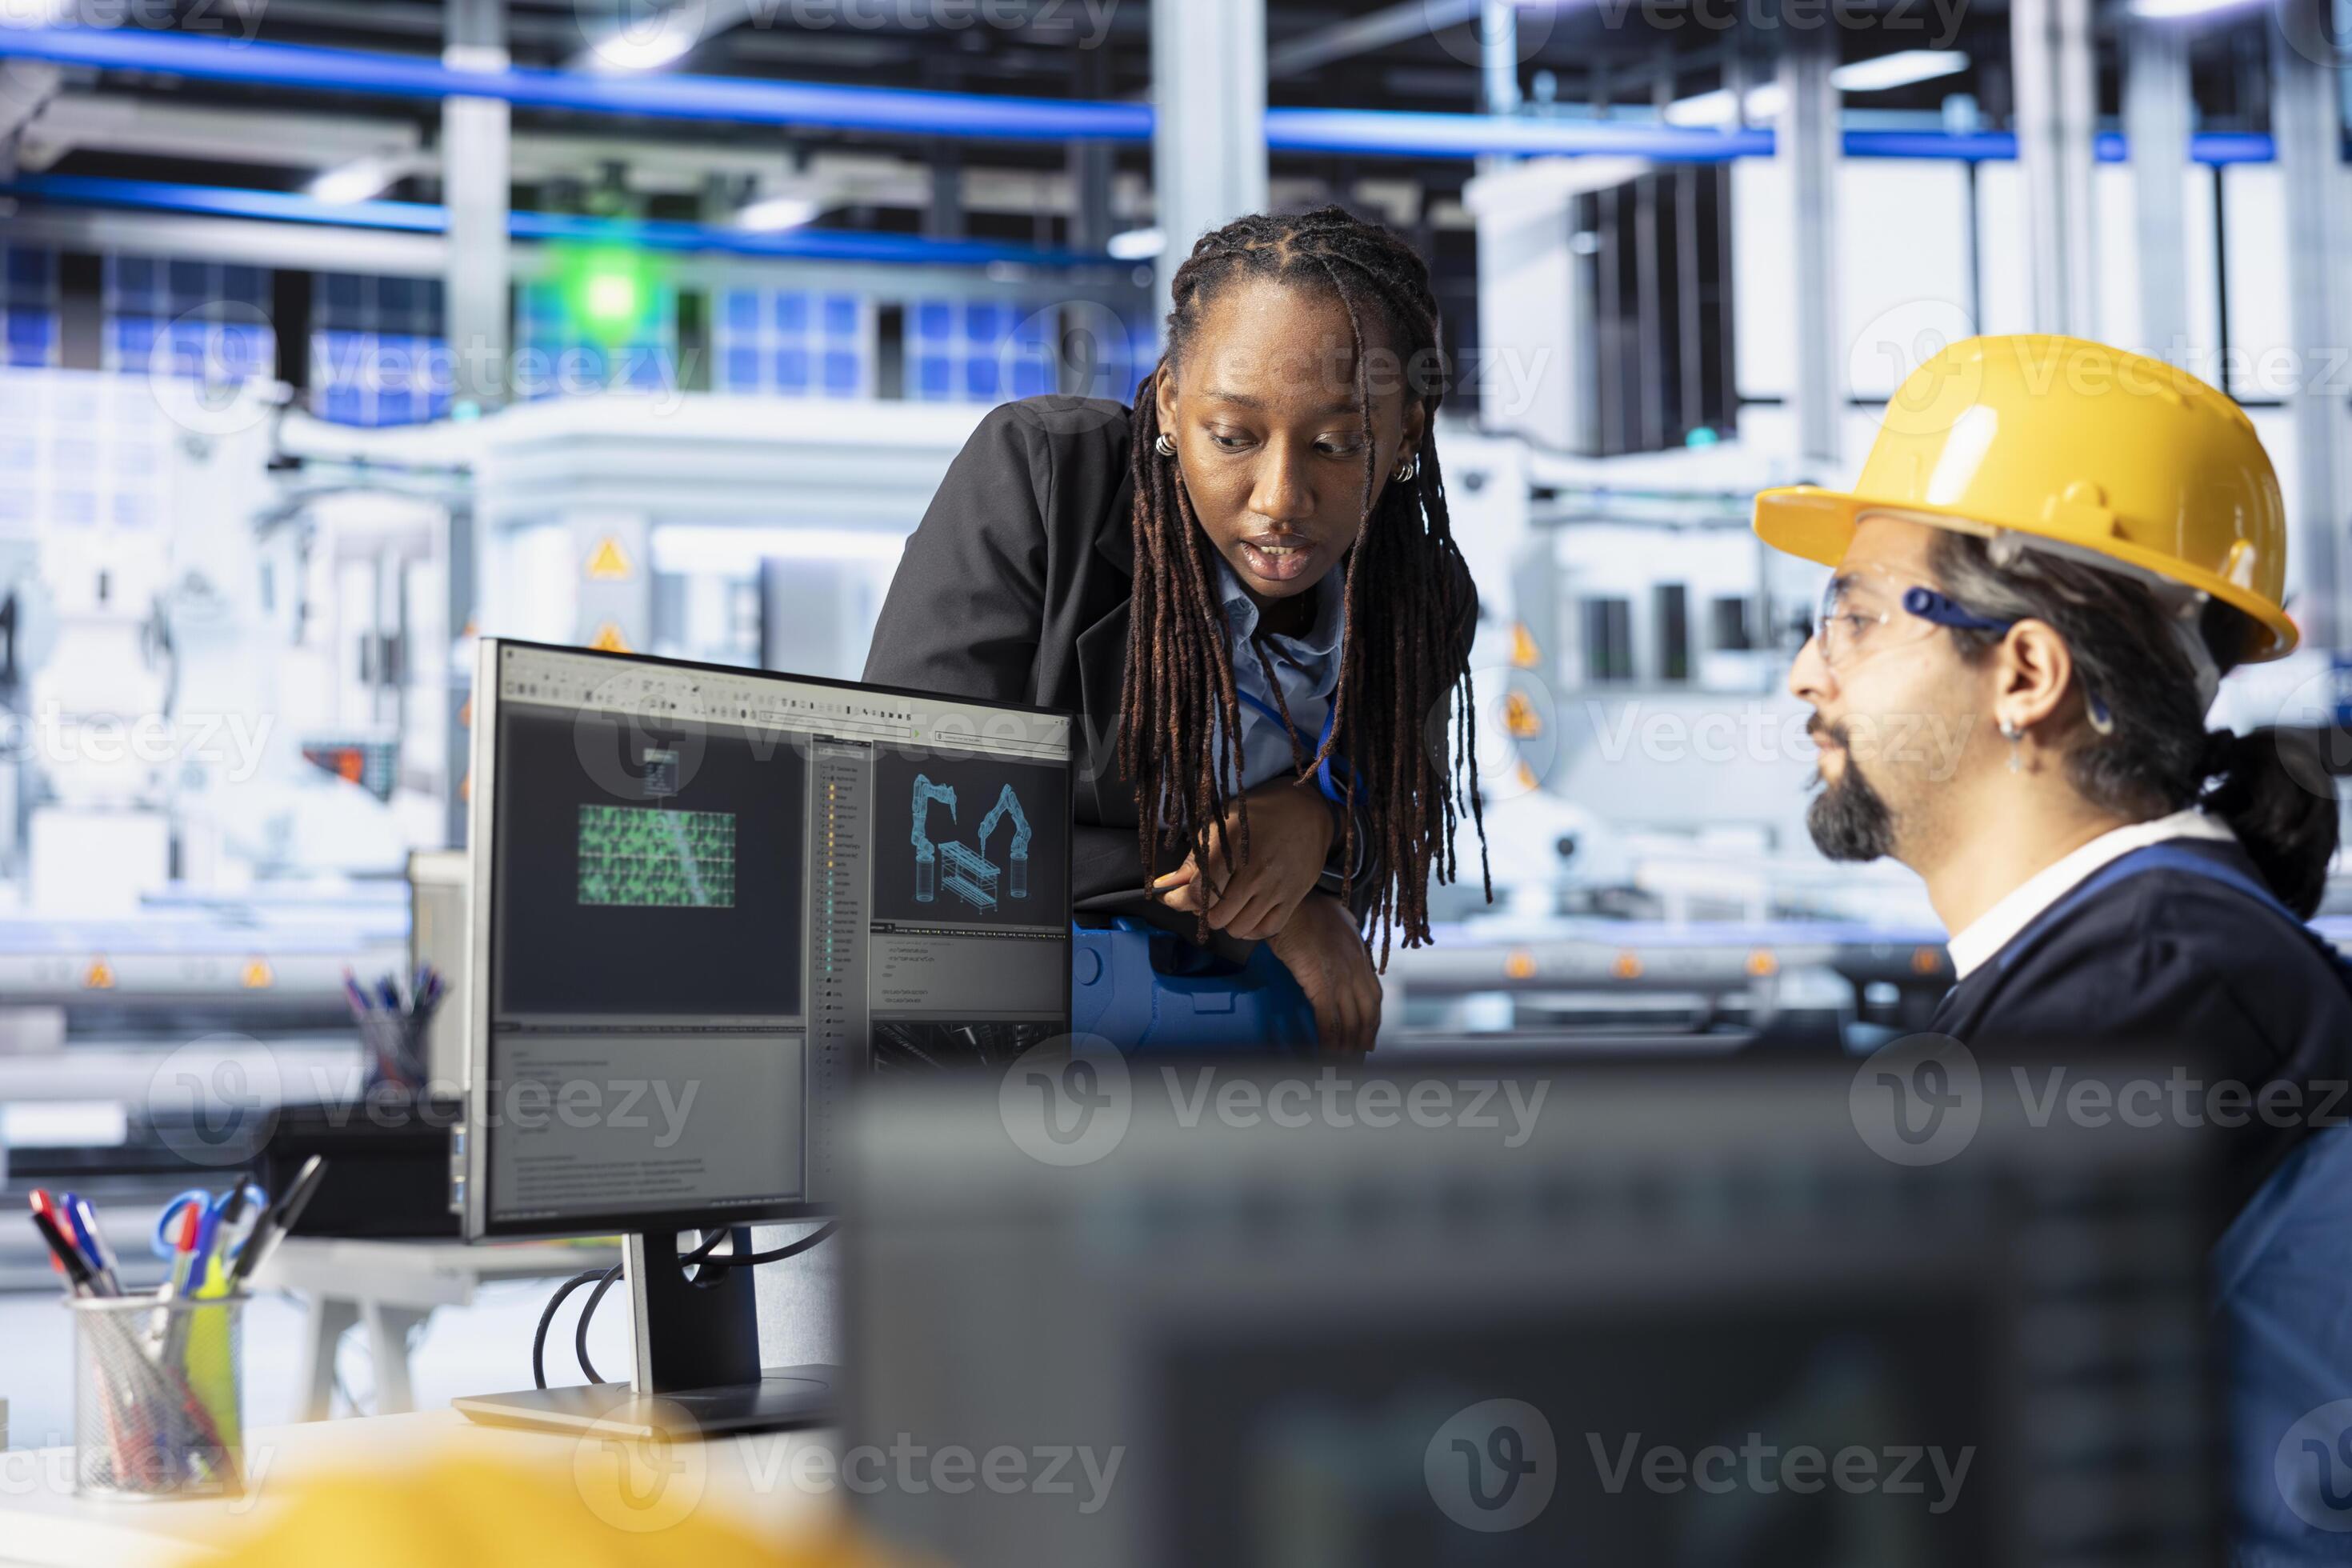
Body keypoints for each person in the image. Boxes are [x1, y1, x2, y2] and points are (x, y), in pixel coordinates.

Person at [1757, 332, 2352, 1559]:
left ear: (2024, 671)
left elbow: (1872, 1409)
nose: (1806, 675)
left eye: (1853, 618)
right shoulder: (2142, 958)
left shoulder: (2154, 987)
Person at [865, 206, 1490, 1048]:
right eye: (1232, 436)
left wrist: (1322, 827)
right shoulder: (1045, 480)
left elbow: (1401, 817)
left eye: (1340, 445)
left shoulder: (1420, 594)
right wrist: (1262, 909)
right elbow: (913, 814)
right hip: (991, 1048)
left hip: (1246, 1061)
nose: (1279, 499)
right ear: (1167, 403)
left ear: (1408, 431)